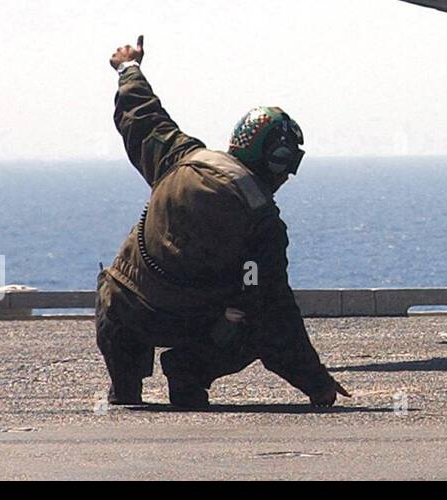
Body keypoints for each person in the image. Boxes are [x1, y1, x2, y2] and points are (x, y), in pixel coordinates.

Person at [95, 35, 349, 409]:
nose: (288, 176)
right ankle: (187, 372)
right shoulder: (262, 222)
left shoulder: (179, 157)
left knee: (115, 286)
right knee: (250, 319)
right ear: (275, 161)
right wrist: (316, 383)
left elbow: (141, 115)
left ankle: (124, 387)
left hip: (127, 311)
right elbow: (274, 311)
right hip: (186, 323)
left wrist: (129, 68)